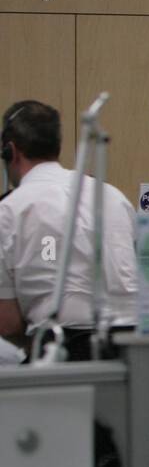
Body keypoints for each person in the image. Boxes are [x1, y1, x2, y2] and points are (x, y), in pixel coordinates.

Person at [0, 101, 137, 357]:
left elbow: (7, 324)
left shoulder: (9, 210)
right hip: (136, 353)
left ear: (11, 151)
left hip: (64, 351)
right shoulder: (113, 197)